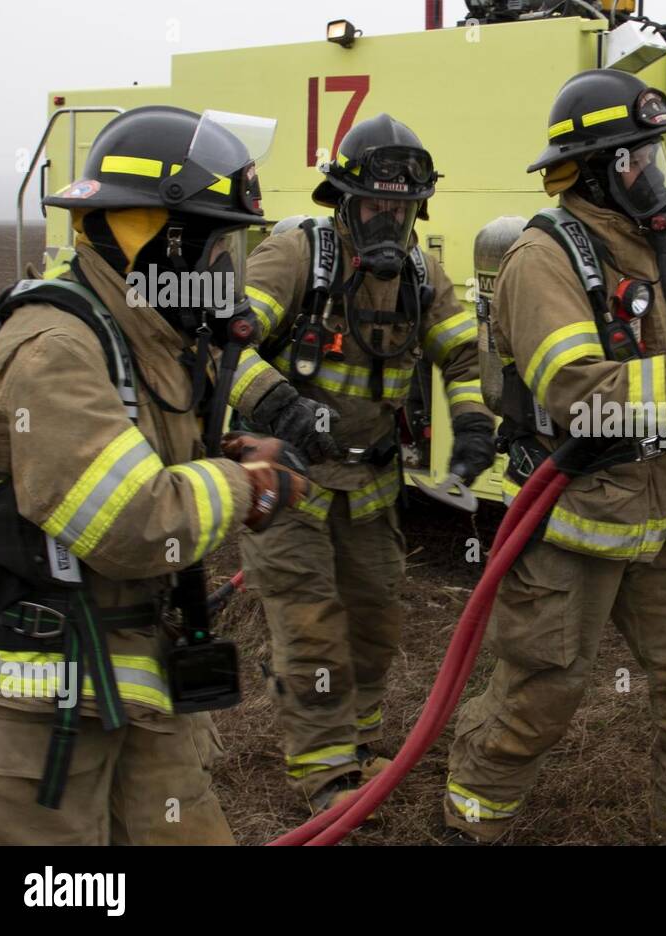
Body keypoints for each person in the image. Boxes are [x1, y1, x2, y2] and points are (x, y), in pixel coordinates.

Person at [443, 70, 666, 844]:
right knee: (539, 698)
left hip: (665, 519)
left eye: (655, 156)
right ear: (601, 170)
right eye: (640, 159)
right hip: (577, 520)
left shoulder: (658, 251)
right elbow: (575, 394)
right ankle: (472, 822)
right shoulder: (543, 260)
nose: (655, 174)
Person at [0, 105, 308, 844]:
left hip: (129, 680)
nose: (224, 271)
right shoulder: (56, 346)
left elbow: (153, 455)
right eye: (216, 245)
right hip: (36, 708)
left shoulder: (142, 335)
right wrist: (245, 483)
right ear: (162, 243)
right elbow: (131, 524)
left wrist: (232, 447)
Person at [227, 114, 495, 811]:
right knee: (312, 629)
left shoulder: (420, 274)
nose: (388, 219)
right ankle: (326, 776)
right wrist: (281, 403)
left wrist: (471, 423)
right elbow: (221, 348)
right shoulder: (292, 257)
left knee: (375, 631)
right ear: (343, 200)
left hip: (372, 488)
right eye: (376, 204)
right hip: (288, 486)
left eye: (401, 208)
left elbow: (463, 356)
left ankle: (359, 745)